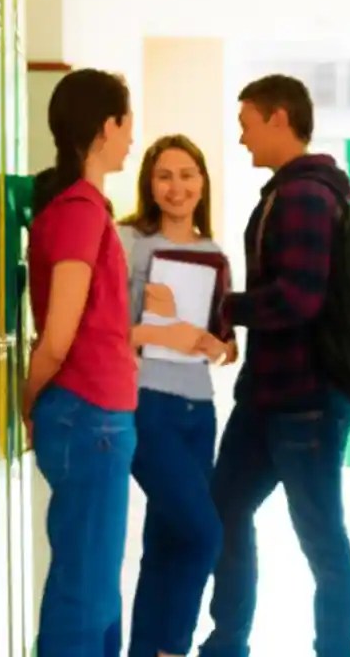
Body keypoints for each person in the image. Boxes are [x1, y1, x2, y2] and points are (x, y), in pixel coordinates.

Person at [199, 75, 350, 657]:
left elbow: (299, 298)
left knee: (320, 538)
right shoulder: (287, 192)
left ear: (278, 118)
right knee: (224, 510)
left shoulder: (304, 196)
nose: (241, 138)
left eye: (246, 123)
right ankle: (228, 642)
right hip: (269, 396)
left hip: (305, 402)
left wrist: (221, 307)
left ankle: (335, 650)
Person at [23, 68, 137, 656]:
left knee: (96, 589)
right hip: (88, 418)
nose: (131, 138)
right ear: (105, 126)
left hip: (101, 418)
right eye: (127, 122)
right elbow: (59, 338)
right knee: (85, 593)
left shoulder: (89, 208)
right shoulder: (78, 211)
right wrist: (29, 400)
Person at [118, 135, 237, 657]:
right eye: (165, 175)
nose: (177, 187)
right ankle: (172, 649)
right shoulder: (129, 243)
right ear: (149, 182)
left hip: (199, 410)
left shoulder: (214, 254)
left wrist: (216, 345)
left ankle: (146, 650)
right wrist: (162, 329)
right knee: (204, 534)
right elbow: (110, 330)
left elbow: (226, 346)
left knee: (166, 541)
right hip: (148, 406)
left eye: (188, 174)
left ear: (203, 183)